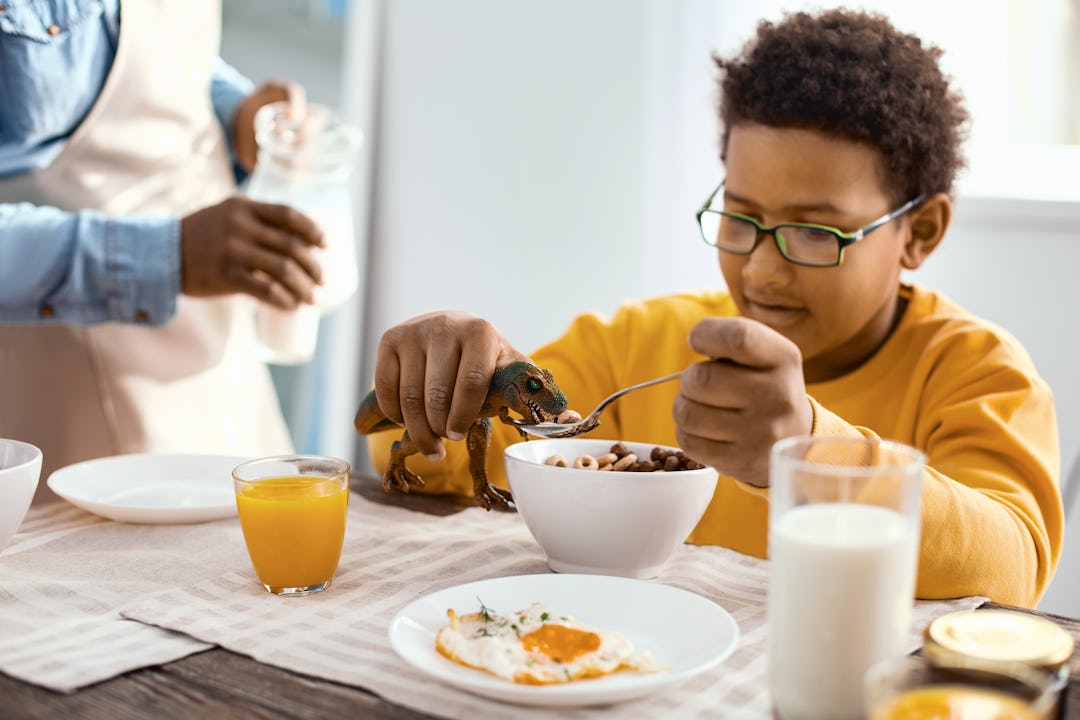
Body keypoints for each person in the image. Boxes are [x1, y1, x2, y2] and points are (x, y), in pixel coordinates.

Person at [364, 8, 1062, 608]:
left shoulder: (976, 372)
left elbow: (1011, 572)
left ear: (921, 232)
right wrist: (440, 381)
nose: (761, 271)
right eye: (741, 217)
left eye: (815, 232)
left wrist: (806, 448)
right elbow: (439, 470)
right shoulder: (636, 343)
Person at [0, 1, 323, 483]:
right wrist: (161, 256)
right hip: (69, 380)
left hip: (217, 351)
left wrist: (235, 112)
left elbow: (126, 43)